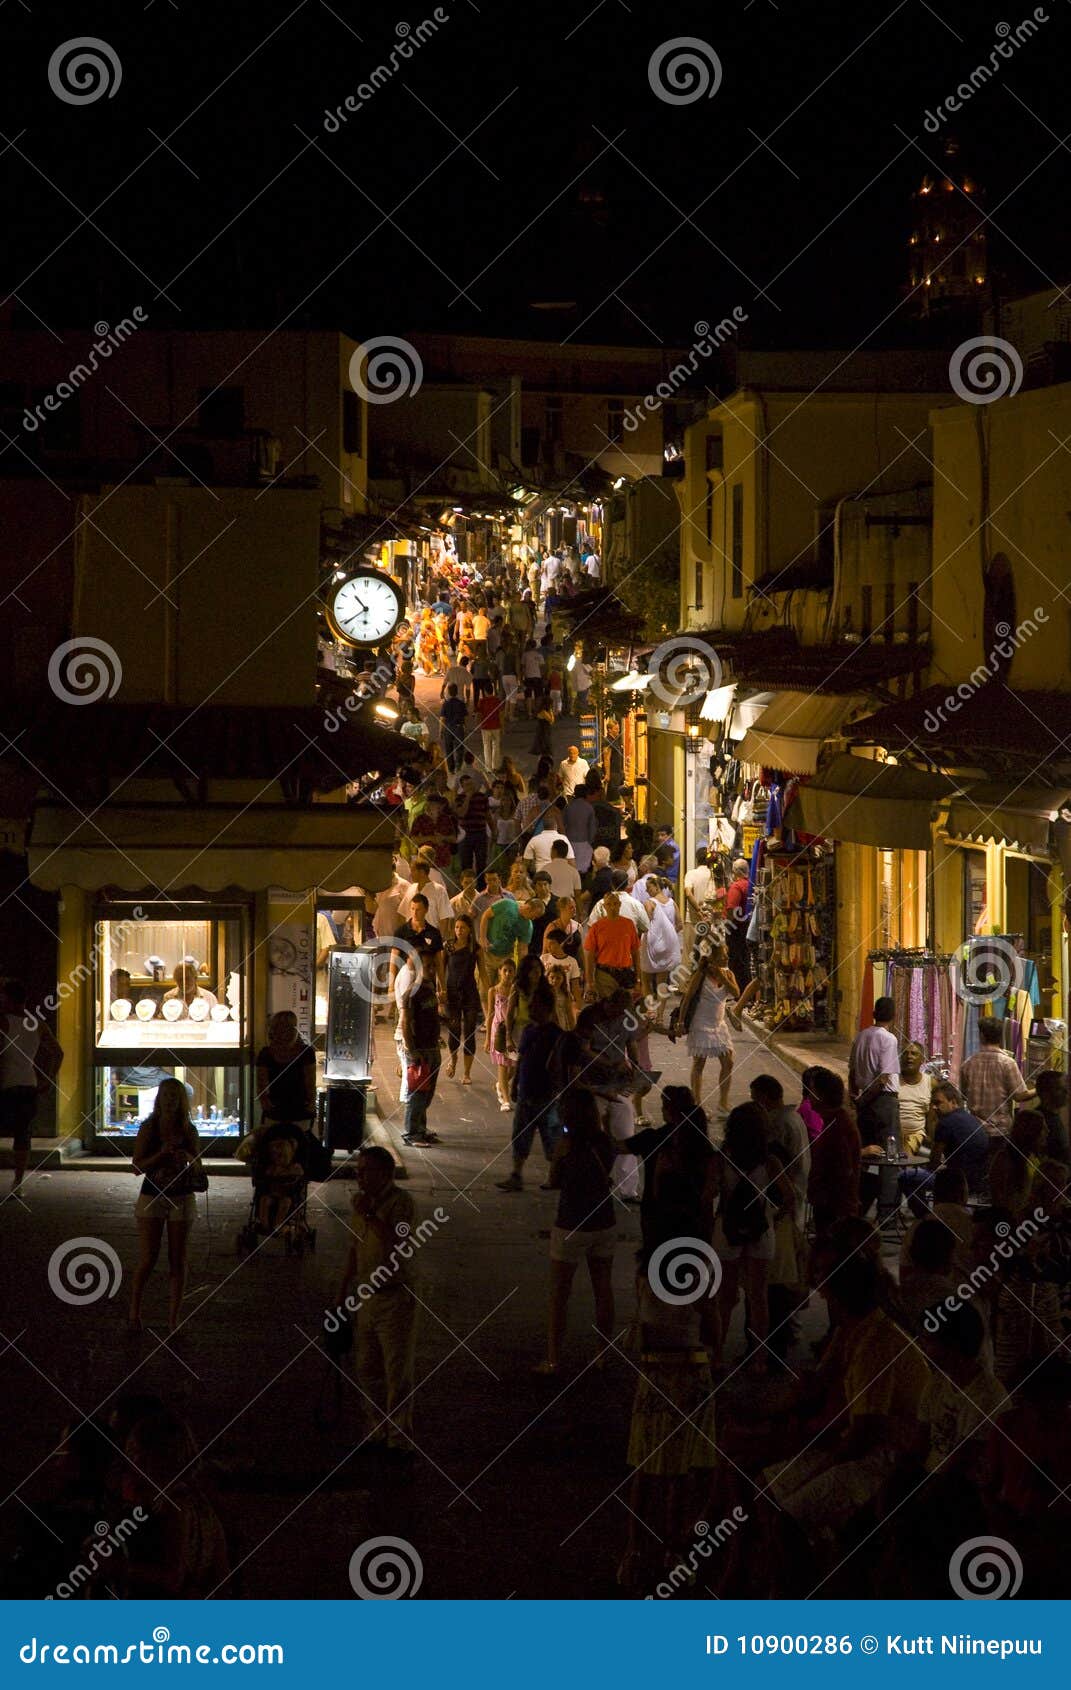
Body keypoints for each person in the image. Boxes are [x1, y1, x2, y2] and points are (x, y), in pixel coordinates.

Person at [337, 1146, 421, 1459]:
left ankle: (399, 1437)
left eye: (365, 1171)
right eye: (357, 1171)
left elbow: (399, 1241)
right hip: (367, 1295)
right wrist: (343, 1290)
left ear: (384, 1173)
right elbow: (354, 1249)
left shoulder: (401, 1204)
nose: (359, 1178)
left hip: (395, 1294)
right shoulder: (363, 1206)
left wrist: (370, 1214)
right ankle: (375, 1429)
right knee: (367, 1366)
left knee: (396, 1368)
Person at [535, 1088, 617, 1374]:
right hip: (604, 1220)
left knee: (560, 1294)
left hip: (571, 1221)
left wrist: (560, 1157)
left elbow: (554, 1181)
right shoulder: (605, 1142)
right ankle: (603, 1354)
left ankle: (554, 1358)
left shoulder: (567, 1145)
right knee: (603, 1289)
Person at [118, 1410, 229, 1596]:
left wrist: (117, 1568)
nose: (130, 1462)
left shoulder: (173, 1506)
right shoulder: (202, 1505)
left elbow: (173, 1577)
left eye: (133, 1452)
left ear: (151, 1456)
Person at [129, 1079, 203, 1333]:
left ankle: (173, 1318)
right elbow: (136, 1167)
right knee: (148, 1257)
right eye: (166, 1095)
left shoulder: (189, 1130)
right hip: (152, 1196)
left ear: (182, 1100)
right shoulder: (149, 1128)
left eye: (175, 1095)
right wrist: (161, 1154)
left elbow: (198, 1164)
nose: (170, 1100)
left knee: (178, 1259)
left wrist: (189, 1159)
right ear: (159, 1099)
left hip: (181, 1196)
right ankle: (135, 1311)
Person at [0, 979, 63, 1200]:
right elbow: (58, 1052)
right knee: (22, 1135)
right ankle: (18, 1182)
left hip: (5, 1085)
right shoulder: (37, 1024)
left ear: (7, 999)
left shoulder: (3, 1022)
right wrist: (48, 1079)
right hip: (29, 1084)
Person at [497, 985, 563, 1191]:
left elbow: (559, 1065)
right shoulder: (528, 1031)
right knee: (521, 1135)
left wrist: (557, 1090)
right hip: (527, 1091)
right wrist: (515, 1083)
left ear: (547, 1008)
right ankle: (516, 1174)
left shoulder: (556, 1034)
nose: (531, 1009)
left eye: (536, 1005)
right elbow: (522, 1059)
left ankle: (555, 1177)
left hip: (547, 1095)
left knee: (551, 1137)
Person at [671, 943, 737, 1111]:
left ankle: (723, 1103)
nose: (726, 958)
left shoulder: (728, 974)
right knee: (699, 1062)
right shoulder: (701, 974)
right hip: (701, 1022)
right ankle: (696, 1103)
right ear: (712, 958)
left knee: (728, 1061)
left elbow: (736, 993)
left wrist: (723, 979)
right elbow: (687, 999)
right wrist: (680, 1022)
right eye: (722, 955)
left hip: (719, 1025)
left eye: (726, 955)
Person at [960, 1013, 1035, 1143]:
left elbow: (963, 1095)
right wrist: (1040, 1088)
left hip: (975, 1131)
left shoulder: (968, 1064)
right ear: (1000, 1037)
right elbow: (1020, 1096)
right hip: (1001, 1132)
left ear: (982, 1036)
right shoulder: (1007, 1063)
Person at [806, 1068, 862, 1235]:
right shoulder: (834, 1121)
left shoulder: (837, 1127)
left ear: (821, 1095)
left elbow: (843, 1170)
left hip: (835, 1206)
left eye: (812, 1091)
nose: (809, 1097)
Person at [848, 995, 900, 1149]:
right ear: (893, 1016)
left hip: (864, 1101)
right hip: (883, 1101)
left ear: (874, 1014)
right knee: (887, 1151)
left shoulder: (860, 1037)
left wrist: (855, 1098)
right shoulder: (889, 1039)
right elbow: (883, 1078)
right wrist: (863, 1100)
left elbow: (852, 1071)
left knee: (867, 1146)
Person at [399, 974, 442, 1147]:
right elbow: (405, 1023)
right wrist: (412, 1050)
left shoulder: (430, 988)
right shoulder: (411, 993)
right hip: (420, 1050)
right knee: (417, 1094)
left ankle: (420, 1129)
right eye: (428, 966)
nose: (432, 970)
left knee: (426, 1093)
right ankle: (411, 1133)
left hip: (432, 1047)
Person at [929, 1079, 990, 1195]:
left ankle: (925, 1213)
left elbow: (933, 1162)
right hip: (979, 1182)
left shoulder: (945, 1123)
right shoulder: (971, 1118)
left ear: (953, 1102)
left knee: (907, 1176)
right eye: (932, 1103)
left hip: (958, 1182)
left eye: (938, 1103)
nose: (933, 1107)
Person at [255, 1011, 316, 1126]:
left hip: (292, 1109)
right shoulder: (306, 1052)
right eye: (282, 1028)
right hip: (287, 1109)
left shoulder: (266, 1053)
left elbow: (261, 1085)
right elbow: (310, 1083)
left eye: (289, 1028)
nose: (285, 1033)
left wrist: (266, 1103)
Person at [443, 915, 481, 1084]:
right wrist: (440, 990)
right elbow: (440, 970)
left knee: (470, 1030)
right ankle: (453, 1059)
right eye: (457, 927)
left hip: (470, 993)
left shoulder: (475, 948)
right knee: (454, 1029)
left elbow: (484, 975)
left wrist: (490, 994)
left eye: (463, 927)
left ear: (469, 930)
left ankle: (467, 1072)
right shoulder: (448, 946)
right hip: (452, 993)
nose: (459, 930)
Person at [583, 889, 640, 1002]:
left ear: (619, 905)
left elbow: (635, 952)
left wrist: (638, 978)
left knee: (626, 1007)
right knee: (607, 1006)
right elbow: (589, 955)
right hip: (605, 974)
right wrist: (590, 981)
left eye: (615, 904)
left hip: (625, 972)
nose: (612, 907)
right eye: (609, 904)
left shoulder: (628, 924)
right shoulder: (597, 927)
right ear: (604, 906)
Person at [639, 877, 681, 1020]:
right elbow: (680, 924)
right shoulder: (672, 903)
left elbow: (647, 918)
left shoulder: (650, 902)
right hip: (668, 946)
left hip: (651, 945)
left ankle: (651, 1010)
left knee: (646, 980)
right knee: (662, 984)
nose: (646, 891)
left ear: (656, 886)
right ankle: (660, 1017)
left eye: (648, 887)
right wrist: (668, 935)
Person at [391, 892, 446, 997]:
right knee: (406, 1010)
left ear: (426, 910)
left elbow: (439, 962)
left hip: (427, 982)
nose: (415, 913)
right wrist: (391, 986)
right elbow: (394, 959)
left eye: (418, 909)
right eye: (412, 909)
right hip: (406, 981)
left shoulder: (434, 933)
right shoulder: (401, 932)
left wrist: (443, 987)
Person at [479, 891, 543, 972]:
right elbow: (486, 916)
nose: (533, 919)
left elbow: (523, 948)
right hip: (488, 952)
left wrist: (521, 969)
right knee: (486, 983)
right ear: (529, 909)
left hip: (506, 956)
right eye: (534, 915)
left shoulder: (528, 926)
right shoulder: (506, 904)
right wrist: (483, 938)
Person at [485, 957, 518, 1112]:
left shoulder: (516, 990)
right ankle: (505, 1099)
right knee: (503, 1064)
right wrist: (486, 1039)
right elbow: (490, 1014)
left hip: (512, 1031)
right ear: (499, 972)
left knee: (514, 1065)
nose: (507, 973)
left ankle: (500, 1083)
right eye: (504, 970)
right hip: (498, 1031)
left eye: (510, 971)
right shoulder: (493, 991)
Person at [397, 859, 454, 935]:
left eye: (413, 871)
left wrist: (439, 939)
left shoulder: (439, 890)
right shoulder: (411, 888)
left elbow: (444, 918)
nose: (411, 874)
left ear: (422, 872)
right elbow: (402, 914)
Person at [897, 1041, 933, 1155]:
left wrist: (926, 1151)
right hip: (894, 1137)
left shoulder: (930, 1082)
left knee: (917, 1165)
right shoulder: (892, 1080)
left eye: (914, 1053)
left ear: (922, 1059)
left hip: (919, 1138)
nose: (909, 1057)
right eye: (905, 1053)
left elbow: (932, 1120)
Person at [455, 773, 491, 879]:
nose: (471, 787)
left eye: (471, 784)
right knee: (466, 863)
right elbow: (461, 813)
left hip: (480, 833)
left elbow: (487, 815)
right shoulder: (459, 798)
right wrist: (468, 798)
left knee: (481, 862)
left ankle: (481, 887)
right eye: (467, 785)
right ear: (462, 786)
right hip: (465, 835)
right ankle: (467, 885)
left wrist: (493, 830)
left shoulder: (482, 797)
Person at [562, 783, 597, 877]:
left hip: (569, 841)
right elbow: (592, 828)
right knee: (583, 872)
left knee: (571, 871)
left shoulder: (568, 807)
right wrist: (590, 842)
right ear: (586, 794)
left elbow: (563, 825)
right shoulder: (589, 807)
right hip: (584, 841)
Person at [1036, 1069, 1070, 1159]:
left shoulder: (1054, 1116)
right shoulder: (1039, 1121)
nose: (1066, 1092)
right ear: (1045, 1094)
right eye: (1059, 1089)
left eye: (1065, 1088)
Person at [475, 686, 504, 772]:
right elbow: (501, 715)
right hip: (496, 726)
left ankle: (488, 767)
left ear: (485, 692)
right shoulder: (497, 701)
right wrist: (503, 726)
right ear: (493, 691)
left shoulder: (482, 701)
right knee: (496, 746)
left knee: (486, 747)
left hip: (485, 727)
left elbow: (478, 714)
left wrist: (478, 724)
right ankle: (496, 766)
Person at [544, 837, 582, 901]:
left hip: (550, 906)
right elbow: (577, 895)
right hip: (567, 906)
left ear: (554, 851)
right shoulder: (573, 872)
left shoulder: (545, 869)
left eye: (551, 850)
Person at [521, 640, 544, 715]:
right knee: (538, 695)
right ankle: (537, 711)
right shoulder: (539, 655)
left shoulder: (525, 655)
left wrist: (523, 677)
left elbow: (523, 667)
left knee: (528, 695)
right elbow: (542, 667)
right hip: (538, 676)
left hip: (528, 677)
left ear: (529, 645)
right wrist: (542, 676)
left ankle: (529, 713)